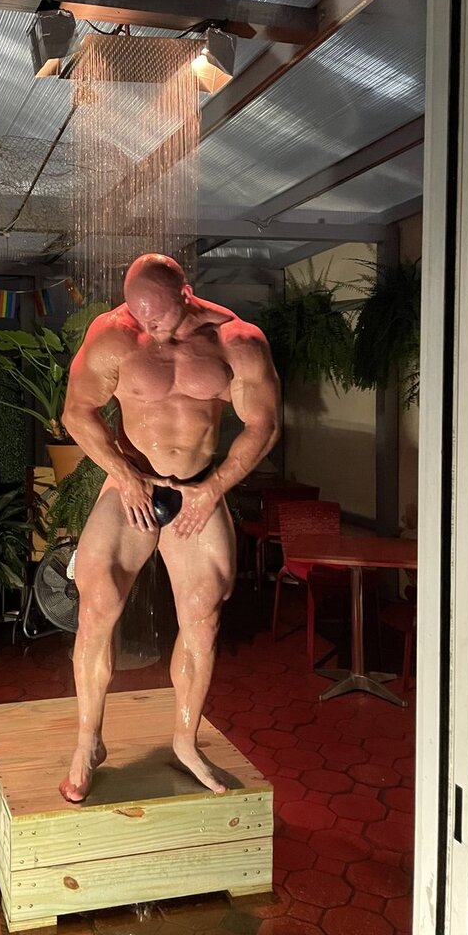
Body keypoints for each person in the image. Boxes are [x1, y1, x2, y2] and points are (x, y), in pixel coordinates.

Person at [59, 253, 281, 802]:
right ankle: (87, 741)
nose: (148, 326)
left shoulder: (237, 340)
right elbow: (77, 412)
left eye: (156, 316)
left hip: (200, 489)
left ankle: (186, 740)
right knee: (97, 599)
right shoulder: (114, 335)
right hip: (132, 484)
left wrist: (214, 487)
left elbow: (264, 423)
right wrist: (123, 475)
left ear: (186, 292)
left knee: (204, 614)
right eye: (139, 315)